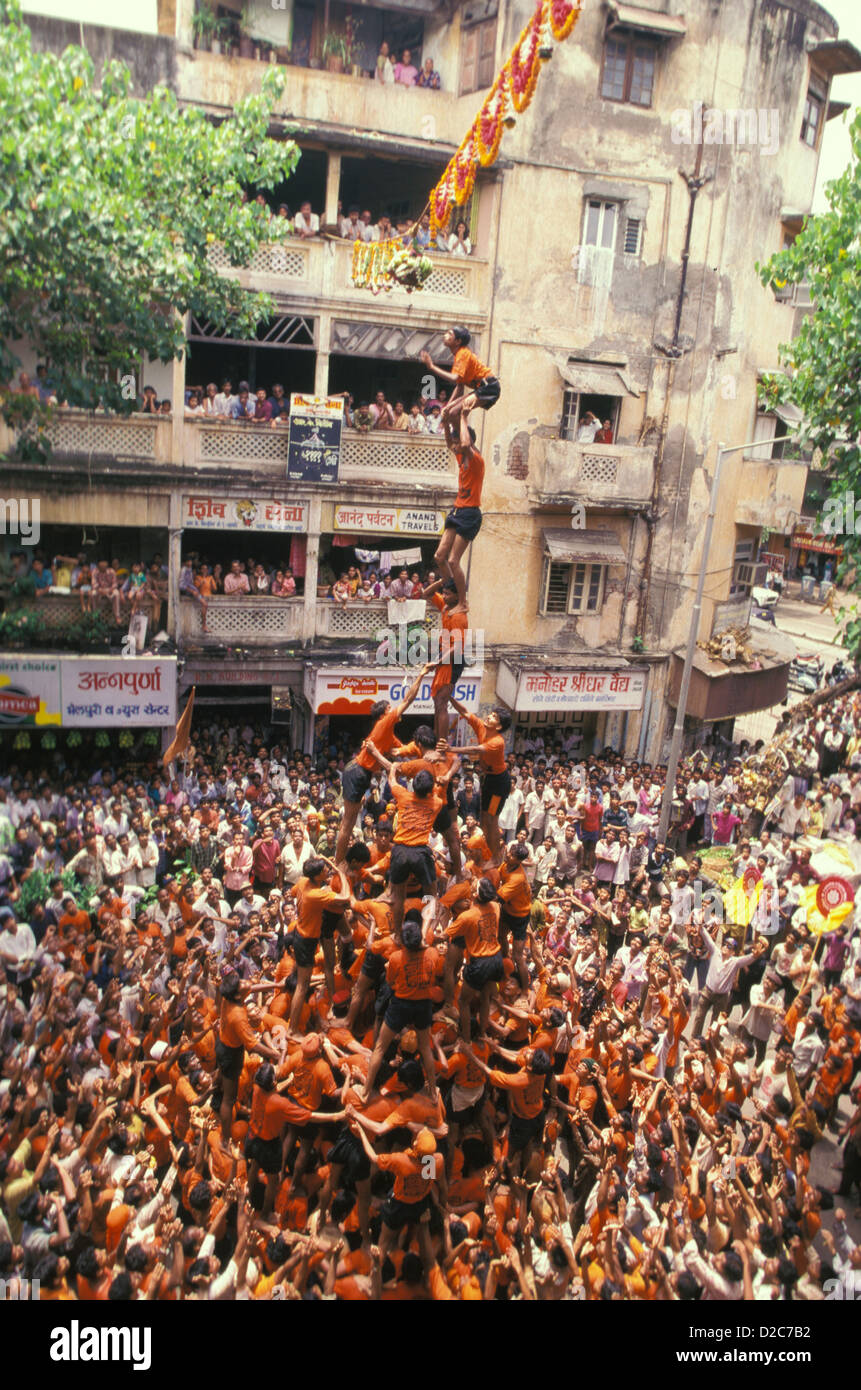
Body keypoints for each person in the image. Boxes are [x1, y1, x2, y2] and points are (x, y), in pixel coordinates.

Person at [334, 665, 430, 864]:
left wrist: (425, 749)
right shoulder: (385, 723)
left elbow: (400, 750)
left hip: (362, 773)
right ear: (383, 714)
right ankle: (338, 862)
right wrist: (421, 675)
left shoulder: (388, 734)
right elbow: (408, 700)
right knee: (348, 823)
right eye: (389, 708)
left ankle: (340, 860)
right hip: (357, 770)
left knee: (350, 823)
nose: (393, 710)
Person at [420, 326, 500, 425]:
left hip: (489, 387)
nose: (445, 335)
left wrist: (431, 366)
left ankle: (466, 438)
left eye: (449, 334)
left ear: (457, 341)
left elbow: (454, 378)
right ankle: (459, 436)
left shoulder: (462, 353)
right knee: (450, 412)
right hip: (482, 387)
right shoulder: (459, 355)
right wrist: (448, 405)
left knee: (454, 412)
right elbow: (460, 386)